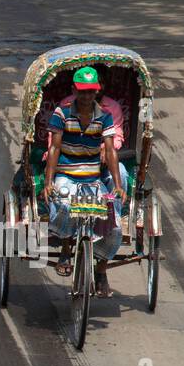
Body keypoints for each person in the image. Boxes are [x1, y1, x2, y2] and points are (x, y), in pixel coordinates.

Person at [42, 66, 125, 297]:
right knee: (65, 204)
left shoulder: (105, 116)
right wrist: (49, 182)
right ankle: (66, 248)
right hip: (66, 175)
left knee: (113, 223)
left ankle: (100, 268)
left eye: (91, 91)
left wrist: (117, 185)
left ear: (96, 91)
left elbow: (110, 151)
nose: (87, 96)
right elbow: (55, 147)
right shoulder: (62, 113)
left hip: (92, 179)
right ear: (74, 91)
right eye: (82, 91)